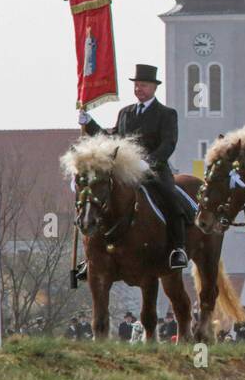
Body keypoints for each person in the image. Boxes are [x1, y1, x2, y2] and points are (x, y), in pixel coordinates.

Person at [78, 64, 188, 271]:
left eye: (143, 85)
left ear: (154, 88)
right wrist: (90, 123)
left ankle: (178, 249)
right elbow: (111, 138)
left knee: (172, 199)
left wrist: (148, 161)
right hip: (126, 172)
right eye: (137, 85)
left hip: (154, 170)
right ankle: (92, 255)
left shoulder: (166, 114)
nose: (139, 89)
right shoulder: (125, 113)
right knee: (98, 198)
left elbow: (168, 144)